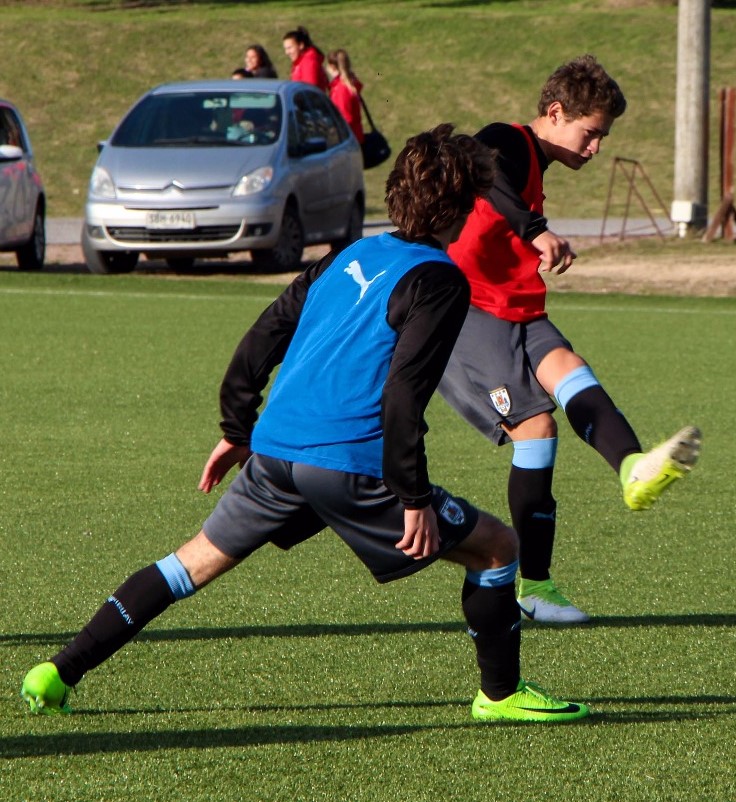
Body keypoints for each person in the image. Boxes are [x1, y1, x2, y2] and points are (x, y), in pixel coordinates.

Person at [19, 124, 589, 725]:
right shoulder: (439, 279)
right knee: (497, 547)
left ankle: (59, 670)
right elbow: (403, 396)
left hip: (276, 451)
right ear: (470, 204)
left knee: (188, 565)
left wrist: (238, 428)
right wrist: (414, 497)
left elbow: (262, 336)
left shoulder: (349, 253)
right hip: (345, 464)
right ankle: (500, 696)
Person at [440, 55, 702, 623]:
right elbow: (487, 173)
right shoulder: (504, 141)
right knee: (537, 427)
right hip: (460, 307)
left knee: (569, 367)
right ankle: (531, 587)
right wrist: (536, 230)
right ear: (555, 113)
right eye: (591, 134)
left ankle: (632, 470)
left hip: (512, 303)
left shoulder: (538, 161)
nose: (596, 148)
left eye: (603, 137)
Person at [325, 49, 365, 144]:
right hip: (356, 136)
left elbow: (345, 119)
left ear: (332, 67)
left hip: (347, 142)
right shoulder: (350, 84)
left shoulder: (341, 89)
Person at [282, 26, 328, 92]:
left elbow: (309, 91)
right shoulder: (300, 61)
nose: (287, 52)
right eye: (285, 49)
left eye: (289, 48)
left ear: (301, 45)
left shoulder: (308, 62)